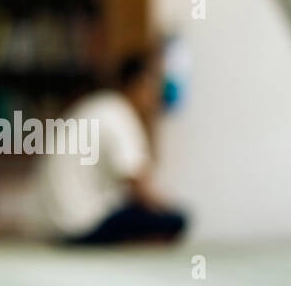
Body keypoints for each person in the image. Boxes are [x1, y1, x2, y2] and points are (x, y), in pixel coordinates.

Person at [38, 44, 187, 245]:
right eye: (156, 82)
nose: (158, 92)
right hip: (84, 224)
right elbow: (140, 186)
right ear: (139, 83)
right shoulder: (120, 115)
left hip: (56, 224)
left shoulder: (101, 106)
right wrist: (171, 208)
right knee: (176, 220)